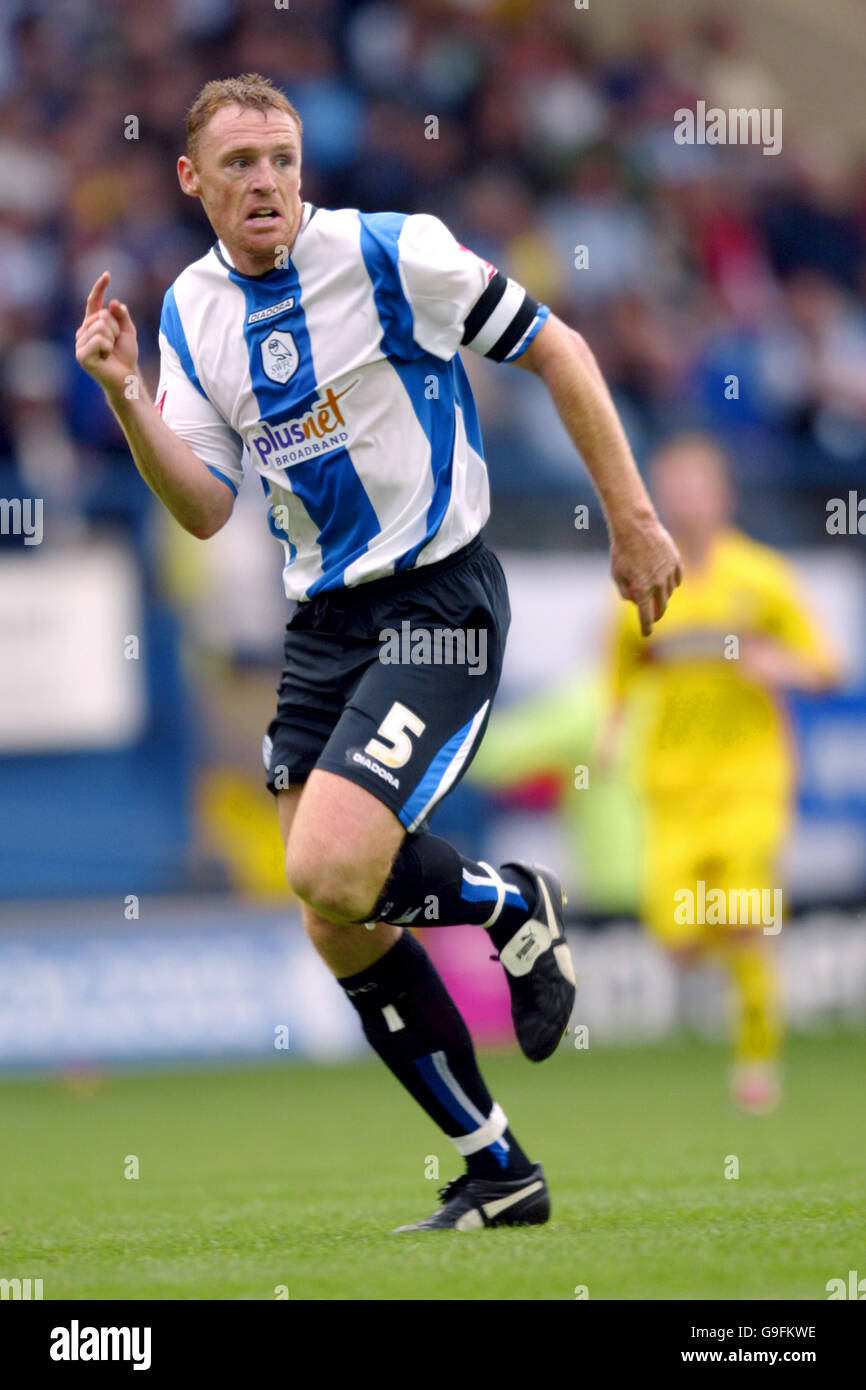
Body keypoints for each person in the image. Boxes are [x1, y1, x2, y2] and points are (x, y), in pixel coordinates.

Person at [74, 73, 681, 1230]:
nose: (266, 182)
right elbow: (203, 507)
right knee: (333, 911)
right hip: (322, 628)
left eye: (283, 159)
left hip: (435, 601)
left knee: (331, 865)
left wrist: (633, 518)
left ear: (305, 168)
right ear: (191, 178)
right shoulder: (194, 309)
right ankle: (496, 1167)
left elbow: (560, 349)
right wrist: (123, 397)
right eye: (240, 164)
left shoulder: (394, 254)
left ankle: (511, 905)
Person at [602, 432, 841, 1112]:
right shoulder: (646, 581)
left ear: (723, 496)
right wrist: (614, 729)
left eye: (697, 487)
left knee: (739, 917)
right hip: (672, 786)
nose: (686, 501)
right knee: (675, 936)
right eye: (672, 489)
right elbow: (621, 666)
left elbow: (828, 666)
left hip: (749, 782)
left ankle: (758, 1061)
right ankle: (761, 935)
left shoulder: (760, 579)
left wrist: (782, 665)